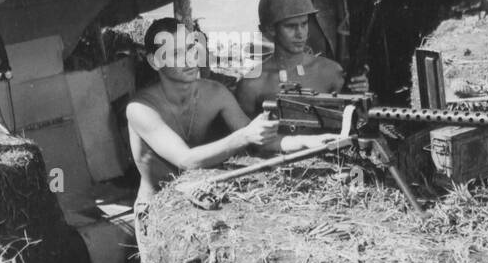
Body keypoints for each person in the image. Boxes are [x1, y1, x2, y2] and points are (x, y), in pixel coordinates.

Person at [126, 17, 338, 207]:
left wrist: (304, 143)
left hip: (204, 200)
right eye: (175, 54)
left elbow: (259, 138)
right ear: (154, 62)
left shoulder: (215, 92)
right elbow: (186, 160)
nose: (190, 59)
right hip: (158, 209)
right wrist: (244, 136)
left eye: (192, 48)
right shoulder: (141, 108)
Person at [235, 0, 368, 117]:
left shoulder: (331, 71)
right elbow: (245, 135)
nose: (300, 34)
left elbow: (357, 122)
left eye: (304, 24)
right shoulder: (252, 85)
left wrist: (360, 94)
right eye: (291, 26)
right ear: (270, 29)